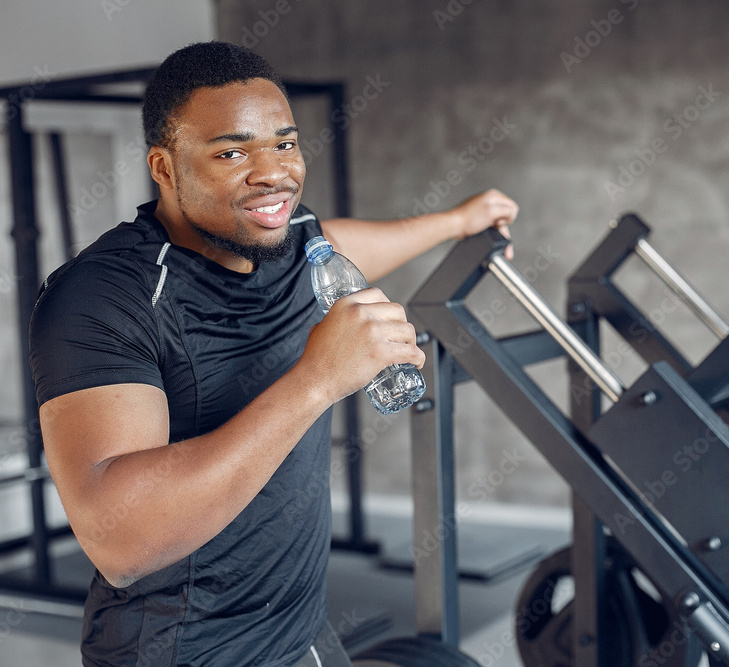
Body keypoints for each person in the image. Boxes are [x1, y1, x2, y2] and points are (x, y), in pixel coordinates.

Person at [29, 41, 517, 667]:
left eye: (284, 144)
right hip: (183, 652)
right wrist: (318, 379)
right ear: (165, 168)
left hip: (300, 637)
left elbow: (341, 242)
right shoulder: (103, 297)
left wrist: (457, 222)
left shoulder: (290, 238)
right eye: (232, 152)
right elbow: (120, 543)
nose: (273, 173)